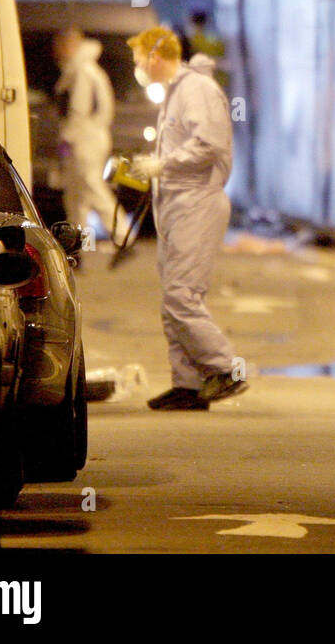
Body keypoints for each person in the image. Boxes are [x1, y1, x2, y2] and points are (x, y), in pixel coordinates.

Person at [127, 26, 246, 411]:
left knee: (182, 296)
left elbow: (209, 144)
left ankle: (226, 368)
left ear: (155, 57)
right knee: (173, 299)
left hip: (197, 203)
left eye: (138, 60)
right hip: (179, 204)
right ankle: (188, 384)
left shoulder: (196, 90)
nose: (138, 67)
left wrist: (163, 164)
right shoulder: (177, 93)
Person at [52, 28, 124, 244]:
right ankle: (78, 245)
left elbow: (78, 110)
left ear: (70, 45)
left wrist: (67, 139)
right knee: (76, 195)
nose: (57, 52)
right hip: (86, 138)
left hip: (85, 140)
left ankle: (122, 236)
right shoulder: (82, 70)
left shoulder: (82, 71)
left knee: (91, 188)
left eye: (60, 46)